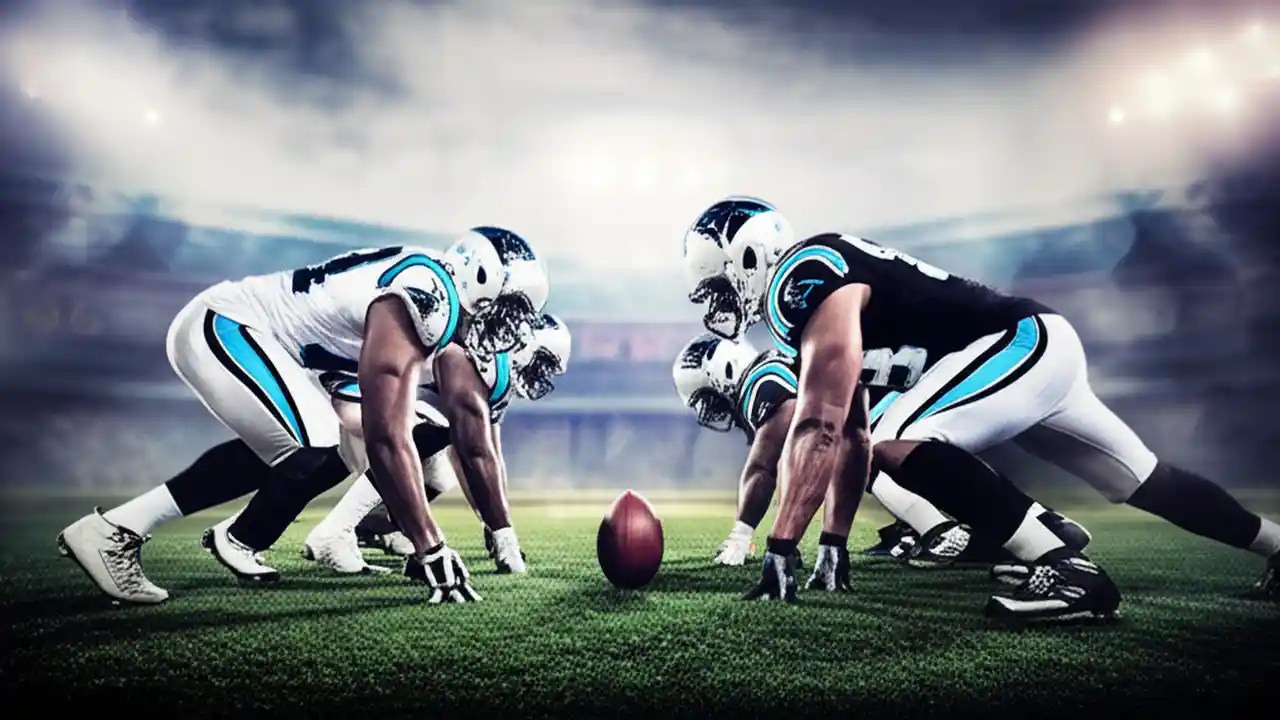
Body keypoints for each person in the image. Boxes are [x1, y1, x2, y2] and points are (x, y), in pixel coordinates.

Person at [681, 196, 1280, 620]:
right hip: (1034, 347)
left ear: (751, 257)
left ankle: (1061, 563)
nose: (719, 302)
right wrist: (832, 546)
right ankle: (1276, 545)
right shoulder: (816, 294)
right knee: (1140, 479)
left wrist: (781, 548)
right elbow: (855, 437)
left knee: (905, 435)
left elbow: (820, 425)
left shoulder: (801, 278)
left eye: (719, 284)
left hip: (1017, 342)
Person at [58, 228, 548, 605]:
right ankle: (114, 531)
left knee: (344, 444)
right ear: (476, 278)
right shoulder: (426, 295)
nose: (506, 325)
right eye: (507, 308)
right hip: (228, 324)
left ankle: (241, 536)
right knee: (315, 442)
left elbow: (378, 433)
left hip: (286, 355)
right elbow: (386, 437)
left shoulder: (432, 295)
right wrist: (432, 547)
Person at [671, 332, 1090, 591]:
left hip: (897, 405)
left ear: (725, 372)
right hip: (908, 391)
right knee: (859, 454)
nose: (711, 409)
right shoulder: (775, 366)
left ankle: (939, 530)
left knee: (860, 456)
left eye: (708, 396)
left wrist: (742, 533)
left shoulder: (761, 382)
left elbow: (765, 465)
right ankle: (1039, 521)